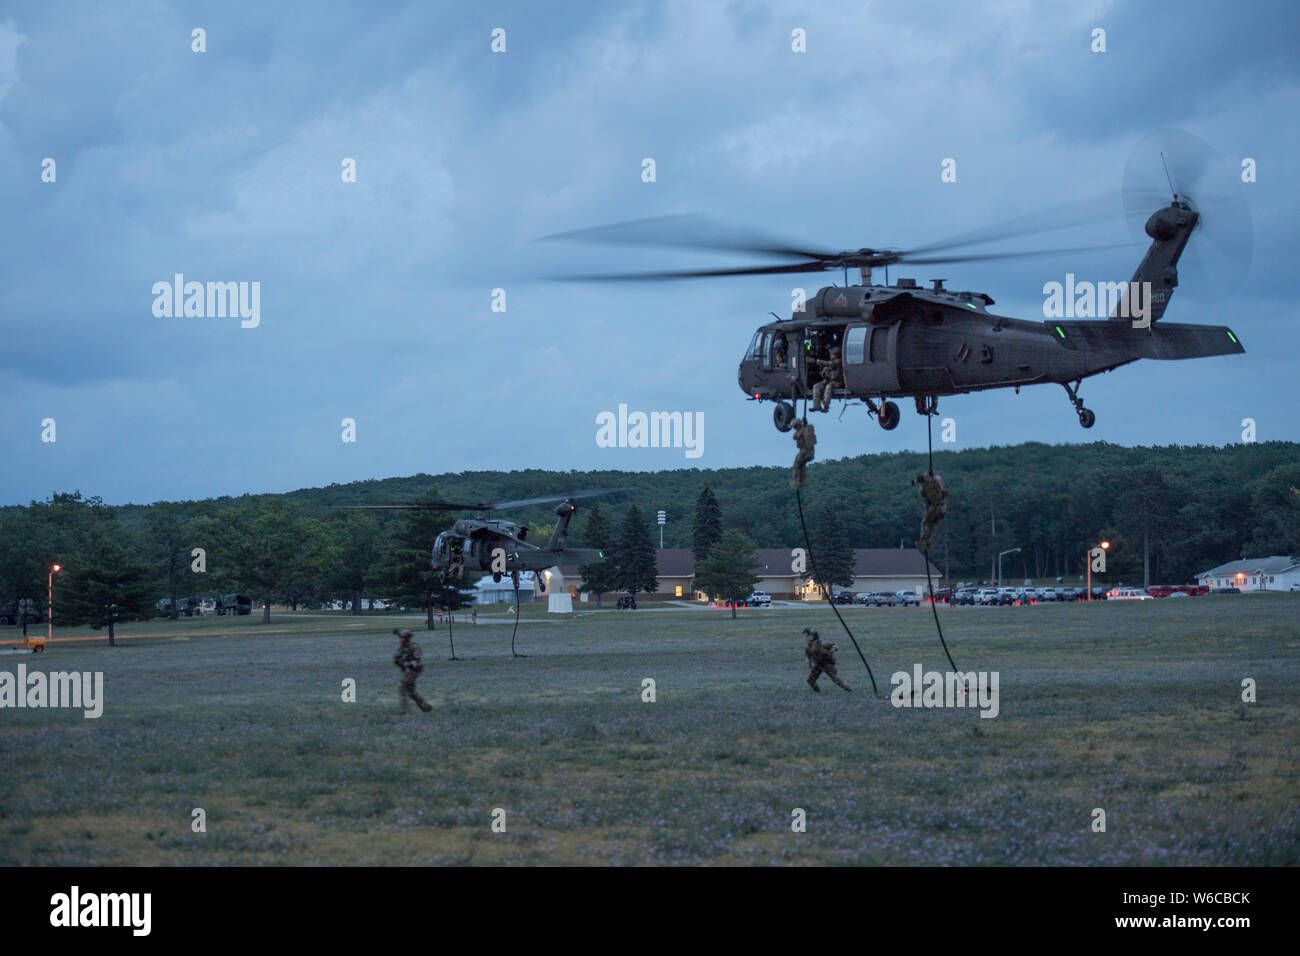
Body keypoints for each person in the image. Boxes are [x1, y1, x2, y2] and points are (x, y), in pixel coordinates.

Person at [393, 628, 433, 713]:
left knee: (401, 686)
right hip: (408, 671)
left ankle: (405, 710)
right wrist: (400, 663)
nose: (400, 639)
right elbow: (397, 659)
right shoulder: (401, 648)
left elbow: (417, 659)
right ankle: (425, 706)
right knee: (411, 692)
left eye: (402, 637)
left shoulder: (414, 647)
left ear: (406, 638)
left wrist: (409, 664)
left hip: (414, 670)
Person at [804, 627, 851, 693]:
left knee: (836, 680)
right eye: (807, 635)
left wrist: (832, 651)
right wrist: (810, 664)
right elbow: (808, 656)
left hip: (827, 664)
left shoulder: (822, 644)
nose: (808, 637)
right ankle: (818, 692)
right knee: (810, 680)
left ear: (814, 636)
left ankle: (848, 689)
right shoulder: (808, 646)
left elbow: (835, 646)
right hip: (818, 664)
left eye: (810, 635)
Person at [915, 470, 948, 553]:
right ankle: (928, 542)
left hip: (935, 508)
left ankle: (924, 540)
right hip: (942, 508)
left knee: (925, 523)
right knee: (931, 524)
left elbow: (927, 502)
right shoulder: (934, 482)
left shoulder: (925, 488)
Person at [811, 345, 842, 412]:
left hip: (836, 382)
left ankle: (826, 406)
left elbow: (830, 364)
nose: (831, 355)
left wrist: (818, 361)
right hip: (827, 381)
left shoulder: (838, 361)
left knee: (828, 387)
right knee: (816, 386)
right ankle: (816, 405)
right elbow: (823, 374)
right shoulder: (830, 364)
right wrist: (824, 372)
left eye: (832, 354)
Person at [790, 418, 816, 490]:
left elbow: (796, 436)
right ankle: (800, 482)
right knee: (801, 465)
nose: (795, 429)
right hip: (808, 451)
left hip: (806, 451)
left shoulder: (804, 430)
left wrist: (804, 426)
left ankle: (797, 483)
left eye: (795, 426)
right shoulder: (806, 429)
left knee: (796, 465)